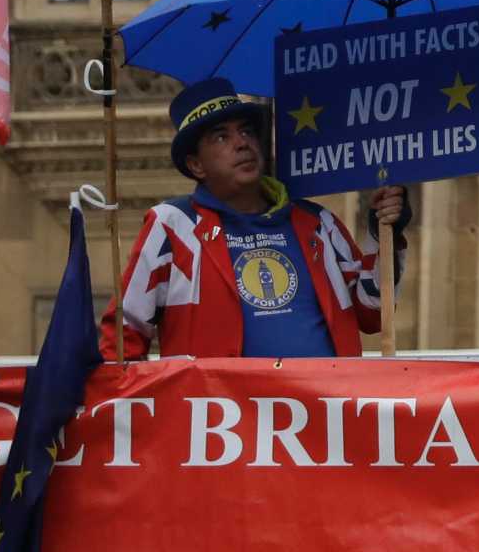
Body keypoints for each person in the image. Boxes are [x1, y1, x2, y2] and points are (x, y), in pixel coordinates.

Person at [103, 78, 409, 359]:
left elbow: (373, 312)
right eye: (221, 137)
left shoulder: (317, 222)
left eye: (246, 131)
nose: (241, 143)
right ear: (196, 165)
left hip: (323, 399)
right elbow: (122, 337)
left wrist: (385, 232)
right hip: (217, 404)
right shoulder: (172, 226)